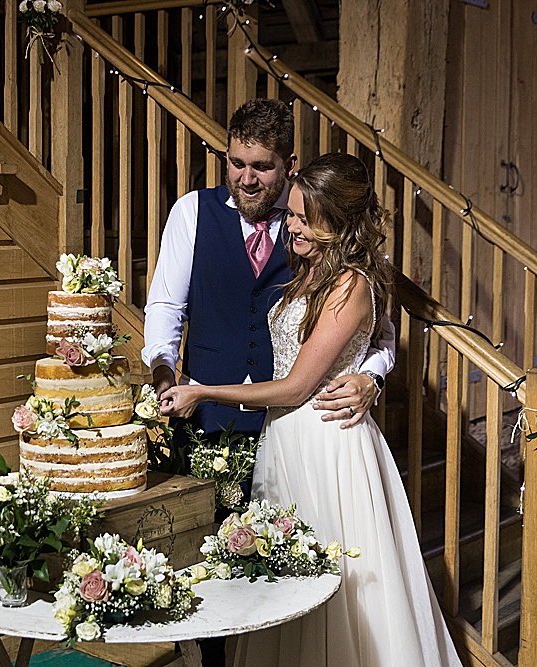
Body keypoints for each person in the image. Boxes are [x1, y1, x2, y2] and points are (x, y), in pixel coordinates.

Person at [160, 154, 463, 667]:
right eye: (292, 214)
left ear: (337, 222)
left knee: (342, 594)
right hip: (288, 442)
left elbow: (300, 385)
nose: (291, 225)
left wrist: (203, 391)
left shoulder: (353, 282)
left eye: (303, 217)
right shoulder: (311, 266)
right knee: (293, 588)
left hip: (327, 444)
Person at [143, 99, 394, 476]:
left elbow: (378, 331)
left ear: (289, 165)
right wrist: (162, 366)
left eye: (261, 167)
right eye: (237, 163)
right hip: (206, 416)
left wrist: (371, 377)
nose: (246, 179)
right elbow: (165, 305)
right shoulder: (192, 212)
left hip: (291, 421)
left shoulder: (317, 224)